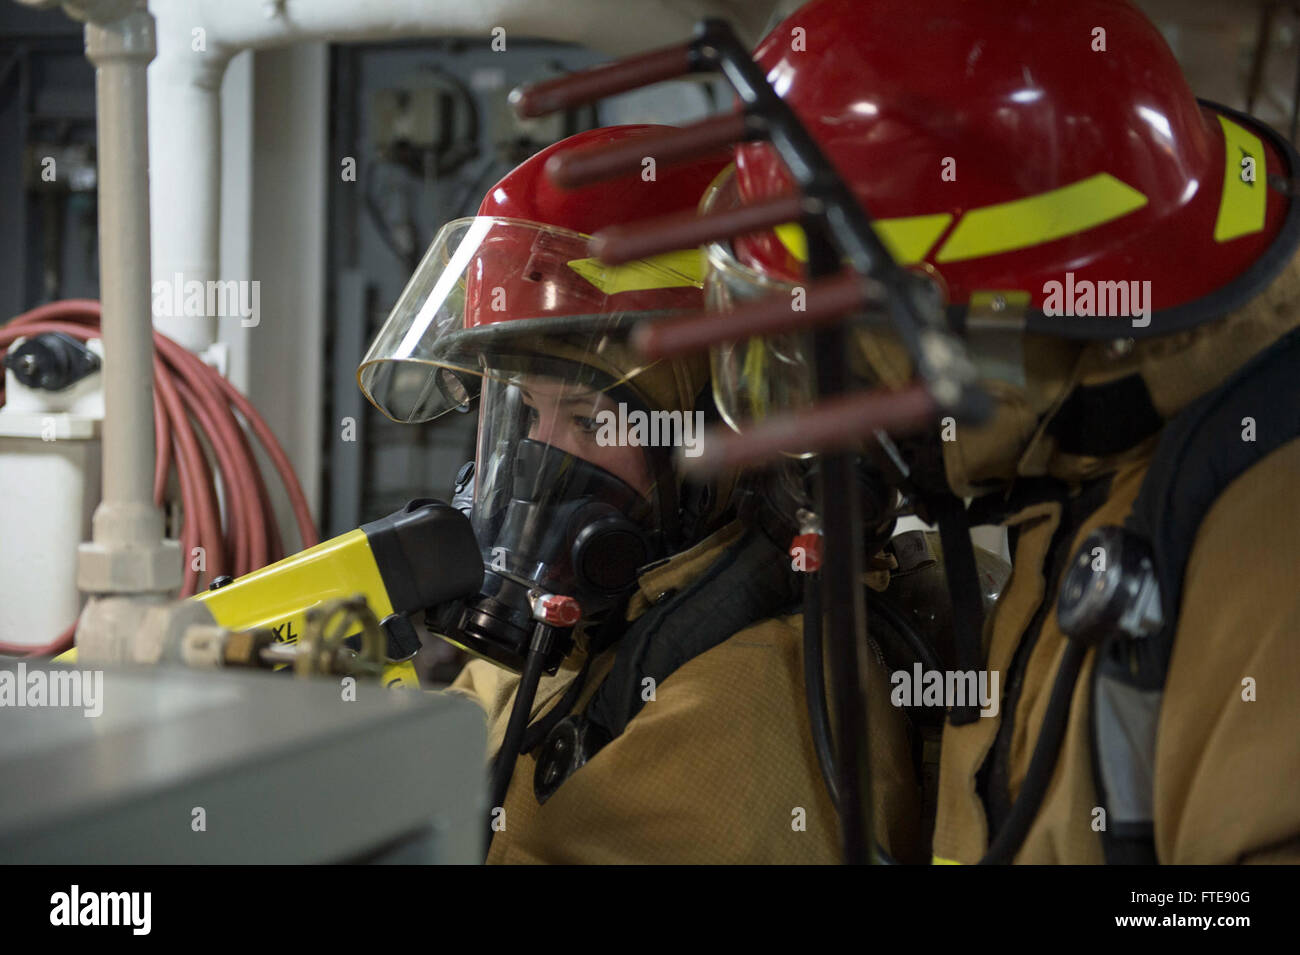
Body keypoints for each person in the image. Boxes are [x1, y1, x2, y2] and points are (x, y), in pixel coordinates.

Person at [720, 0, 1300, 863]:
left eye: (853, 353)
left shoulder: (1262, 555)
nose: (834, 410)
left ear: (994, 332)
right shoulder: (1072, 483)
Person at [358, 125, 925, 863]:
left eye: (591, 418)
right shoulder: (578, 624)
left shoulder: (753, 700)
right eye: (525, 414)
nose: (539, 463)